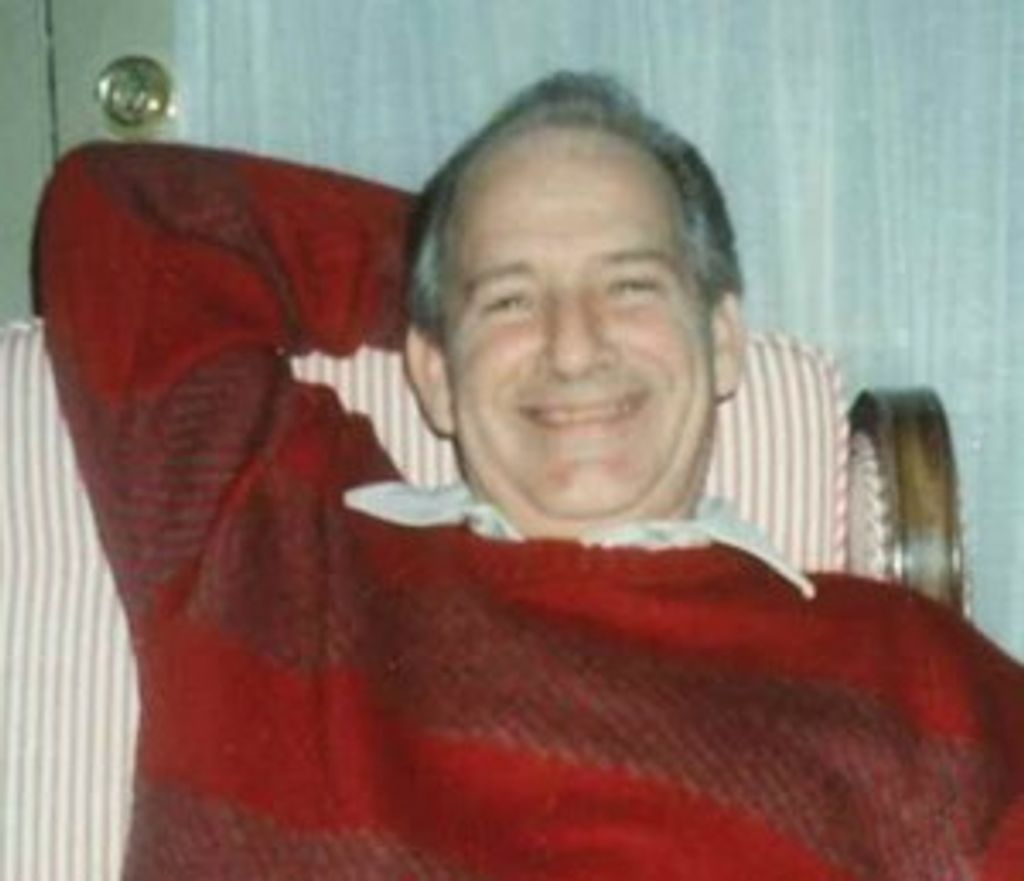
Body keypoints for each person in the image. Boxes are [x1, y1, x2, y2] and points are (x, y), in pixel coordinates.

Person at [40, 72, 1023, 880]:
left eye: (630, 286)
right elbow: (127, 217)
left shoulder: (902, 671)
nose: (573, 345)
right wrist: (456, 254)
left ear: (723, 340)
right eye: (513, 302)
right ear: (432, 369)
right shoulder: (278, 542)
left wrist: (495, 277)